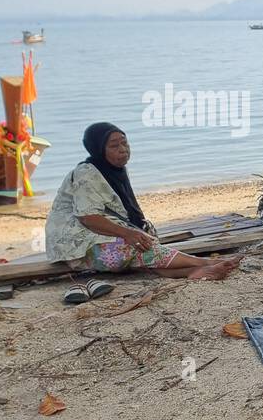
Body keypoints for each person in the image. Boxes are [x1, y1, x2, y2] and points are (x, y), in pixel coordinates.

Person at [45, 123, 239, 303]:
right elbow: (88, 217)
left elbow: (124, 210)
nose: (123, 149)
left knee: (143, 244)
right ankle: (205, 262)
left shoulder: (115, 169)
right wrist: (128, 233)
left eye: (125, 142)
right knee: (133, 248)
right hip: (75, 243)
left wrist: (135, 231)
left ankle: (194, 271)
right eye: (114, 145)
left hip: (98, 232)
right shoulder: (86, 173)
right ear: (98, 149)